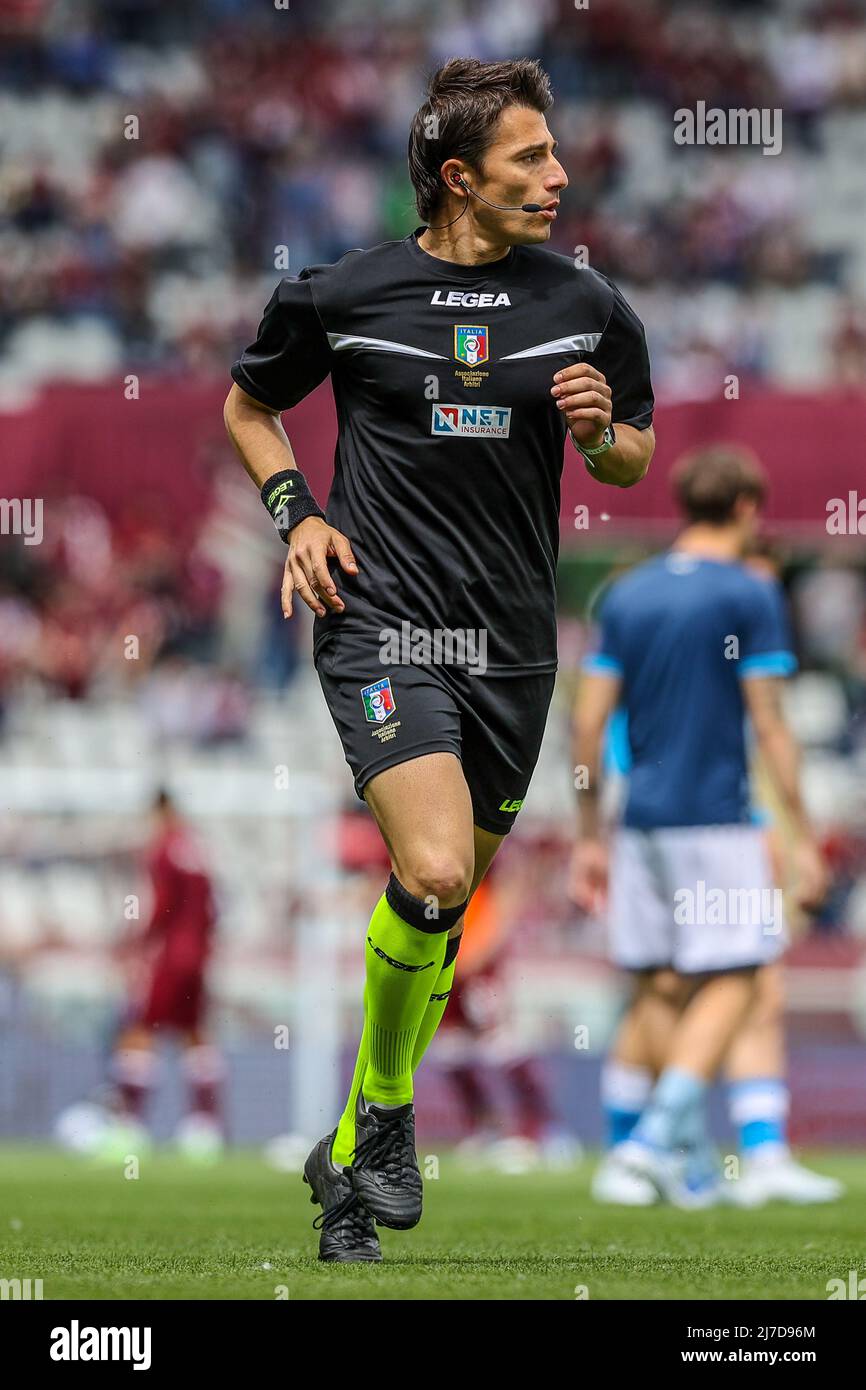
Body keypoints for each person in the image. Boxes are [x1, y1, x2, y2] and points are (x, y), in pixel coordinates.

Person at [225, 57, 654, 1260]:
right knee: (430, 868)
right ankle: (394, 1115)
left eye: (555, 153)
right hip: (381, 620)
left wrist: (600, 436)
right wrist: (296, 513)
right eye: (530, 158)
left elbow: (632, 451)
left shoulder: (584, 303)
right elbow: (249, 405)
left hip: (512, 648)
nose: (557, 175)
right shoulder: (341, 293)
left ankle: (353, 1148)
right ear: (458, 178)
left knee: (442, 900)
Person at [571, 446, 830, 1206]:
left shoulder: (625, 595)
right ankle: (656, 1142)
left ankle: (636, 1156)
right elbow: (772, 726)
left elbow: (586, 725)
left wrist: (589, 832)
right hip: (715, 820)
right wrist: (807, 832)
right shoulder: (748, 595)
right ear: (748, 506)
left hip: (639, 821)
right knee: (741, 976)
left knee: (657, 985)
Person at [106, 788, 224, 1161]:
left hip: (170, 956)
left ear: (161, 811)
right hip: (199, 956)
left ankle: (129, 1129)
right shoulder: (197, 849)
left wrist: (135, 943)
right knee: (194, 1033)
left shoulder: (161, 850)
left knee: (140, 1030)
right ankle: (204, 1131)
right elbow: (213, 909)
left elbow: (161, 906)